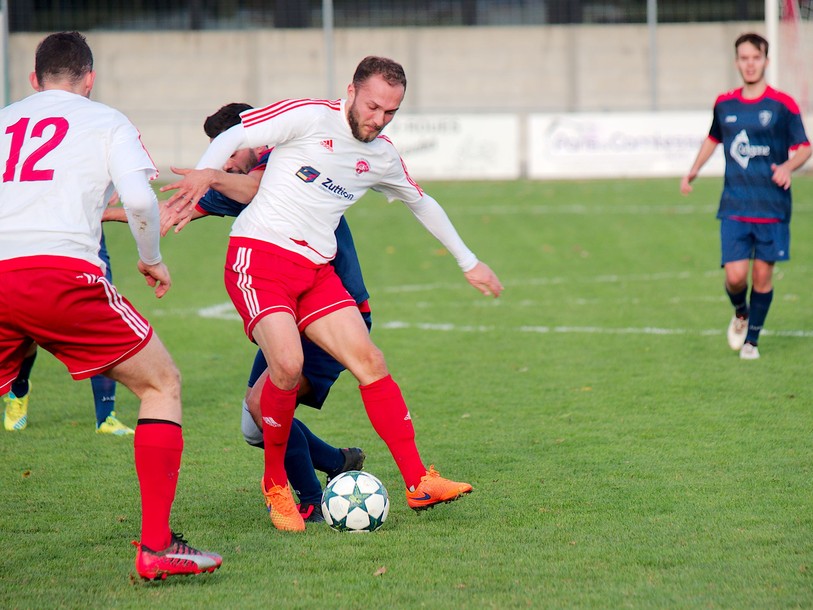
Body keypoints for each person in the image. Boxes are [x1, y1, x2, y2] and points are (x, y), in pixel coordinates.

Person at [165, 56, 504, 532]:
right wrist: (203, 171)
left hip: (314, 271)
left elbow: (421, 202)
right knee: (287, 366)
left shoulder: (381, 155)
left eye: (390, 112)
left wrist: (469, 261)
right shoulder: (308, 116)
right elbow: (234, 133)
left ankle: (419, 482)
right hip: (258, 261)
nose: (379, 119)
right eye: (372, 106)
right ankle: (276, 487)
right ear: (351, 90)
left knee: (371, 361)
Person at [0, 31, 221, 579]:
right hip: (61, 276)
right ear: (90, 80)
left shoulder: (5, 118)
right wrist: (151, 257)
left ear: (34, 80)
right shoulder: (106, 121)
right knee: (160, 383)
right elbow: (142, 197)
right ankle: (156, 547)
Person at [119, 102, 369, 522]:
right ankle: (337, 461)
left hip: (333, 309)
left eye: (232, 150)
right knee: (256, 424)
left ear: (257, 137)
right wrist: (90, 215)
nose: (227, 162)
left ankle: (309, 498)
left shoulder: (288, 162)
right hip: (288, 309)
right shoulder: (237, 181)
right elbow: (168, 212)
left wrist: (213, 176)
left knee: (263, 407)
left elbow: (256, 188)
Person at [680, 32, 811, 360]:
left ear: (766, 61)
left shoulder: (783, 105)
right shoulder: (725, 103)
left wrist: (787, 166)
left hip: (772, 205)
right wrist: (694, 168)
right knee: (736, 276)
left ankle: (752, 341)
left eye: (756, 58)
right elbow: (713, 138)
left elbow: (805, 147)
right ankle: (741, 313)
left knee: (762, 276)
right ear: (737, 62)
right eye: (744, 58)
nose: (750, 64)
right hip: (735, 203)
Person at [2, 230, 133, 435]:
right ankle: (19, 392)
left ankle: (106, 418)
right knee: (29, 327)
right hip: (35, 238)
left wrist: (110, 197)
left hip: (87, 239)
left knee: (98, 323)